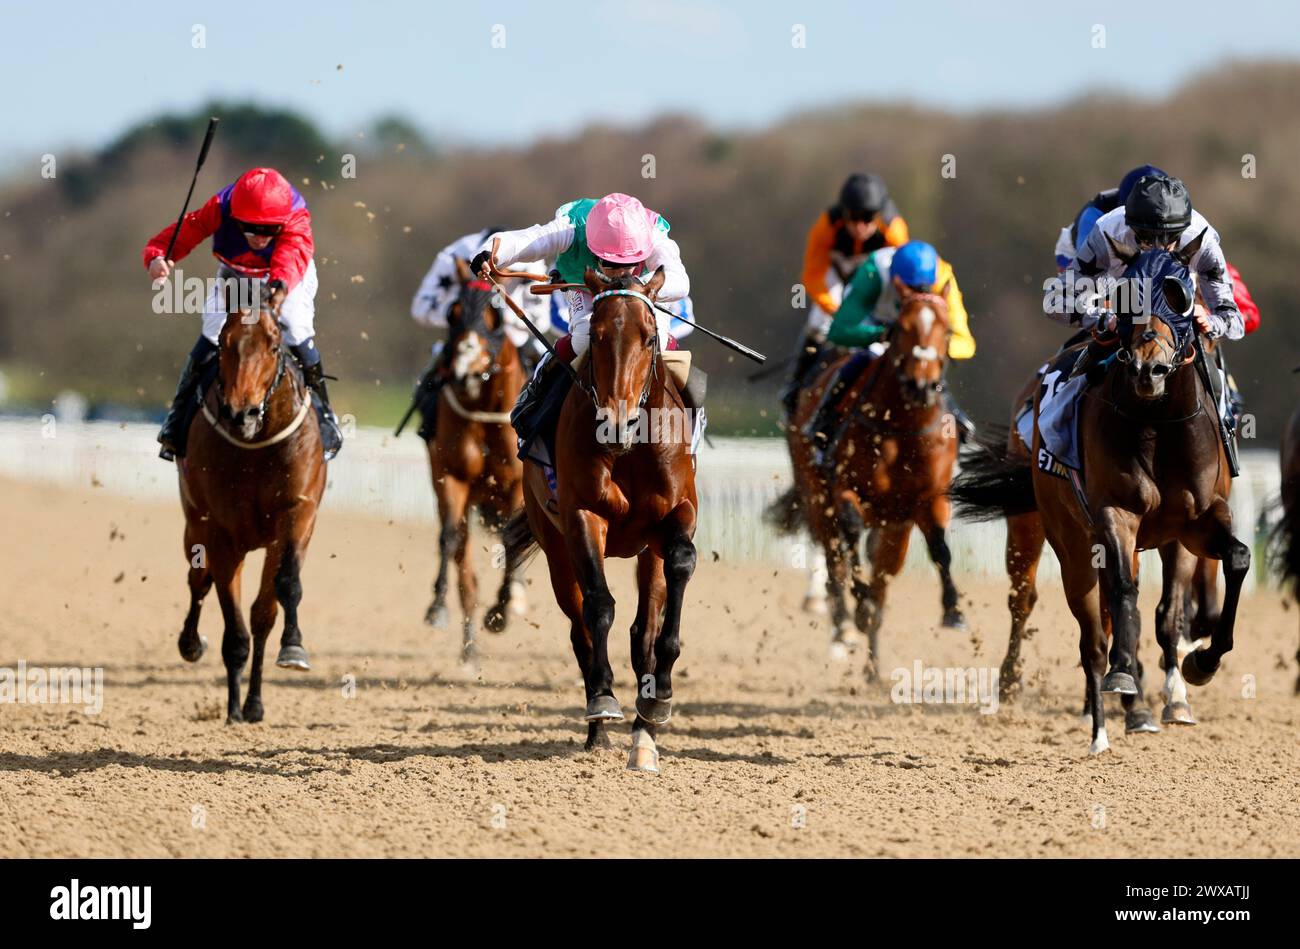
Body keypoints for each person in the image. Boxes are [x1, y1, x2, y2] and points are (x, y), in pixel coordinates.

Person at [144, 167, 341, 460]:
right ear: (235, 216)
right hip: (236, 273)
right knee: (212, 333)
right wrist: (159, 255)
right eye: (249, 228)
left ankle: (326, 419)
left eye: (268, 230)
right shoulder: (222, 206)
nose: (259, 237)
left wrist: (279, 285)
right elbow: (191, 228)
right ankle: (177, 420)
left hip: (287, 275)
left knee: (297, 329)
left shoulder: (296, 215)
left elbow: (293, 253)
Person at [469, 193, 691, 430]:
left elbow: (680, 280)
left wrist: (640, 287)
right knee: (584, 337)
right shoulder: (573, 226)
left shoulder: (652, 231)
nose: (619, 273)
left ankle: (692, 417)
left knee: (658, 340)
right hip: (586, 287)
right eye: (610, 263)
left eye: (627, 264)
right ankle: (537, 390)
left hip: (641, 293)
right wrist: (490, 252)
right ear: (592, 247)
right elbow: (529, 240)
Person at [802, 240, 975, 465]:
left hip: (918, 343)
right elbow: (839, 331)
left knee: (929, 373)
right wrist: (882, 335)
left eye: (922, 290)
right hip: (875, 329)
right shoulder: (874, 272)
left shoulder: (943, 277)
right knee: (865, 358)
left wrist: (929, 348)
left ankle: (957, 433)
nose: (916, 297)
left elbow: (966, 342)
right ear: (895, 281)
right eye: (909, 291)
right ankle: (824, 422)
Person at [782, 173, 910, 415]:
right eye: (854, 217)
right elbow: (814, 273)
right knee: (819, 321)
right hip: (836, 277)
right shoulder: (826, 226)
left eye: (868, 218)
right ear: (844, 213)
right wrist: (835, 309)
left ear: (879, 214)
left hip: (873, 285)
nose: (861, 226)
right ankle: (794, 385)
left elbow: (898, 278)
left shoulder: (894, 231)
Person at [409, 227, 549, 438]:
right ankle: (431, 433)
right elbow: (420, 308)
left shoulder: (532, 258)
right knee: (427, 382)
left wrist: (500, 316)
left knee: (553, 374)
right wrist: (454, 315)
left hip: (515, 335)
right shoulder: (454, 255)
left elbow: (542, 320)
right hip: (465, 335)